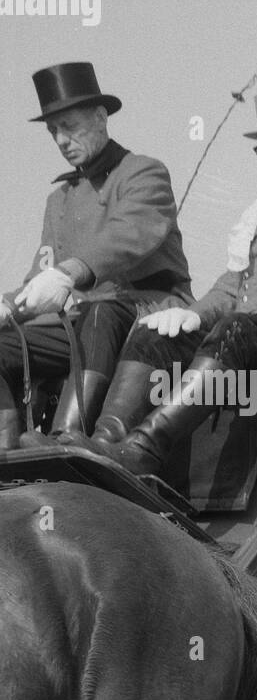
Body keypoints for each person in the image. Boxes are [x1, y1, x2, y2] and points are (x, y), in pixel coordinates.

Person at [63, 89, 257, 477]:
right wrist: (192, 317)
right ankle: (107, 442)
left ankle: (146, 448)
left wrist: (241, 318)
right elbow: (232, 285)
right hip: (255, 337)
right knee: (156, 332)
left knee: (235, 328)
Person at [0, 62, 191, 450]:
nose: (61, 140)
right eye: (54, 131)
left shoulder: (143, 172)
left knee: (99, 312)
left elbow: (129, 234)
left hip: (148, 314)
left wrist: (69, 273)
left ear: (101, 117)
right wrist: (9, 306)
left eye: (69, 126)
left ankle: (66, 439)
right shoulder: (60, 199)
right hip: (85, 328)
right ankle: (6, 451)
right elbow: (43, 272)